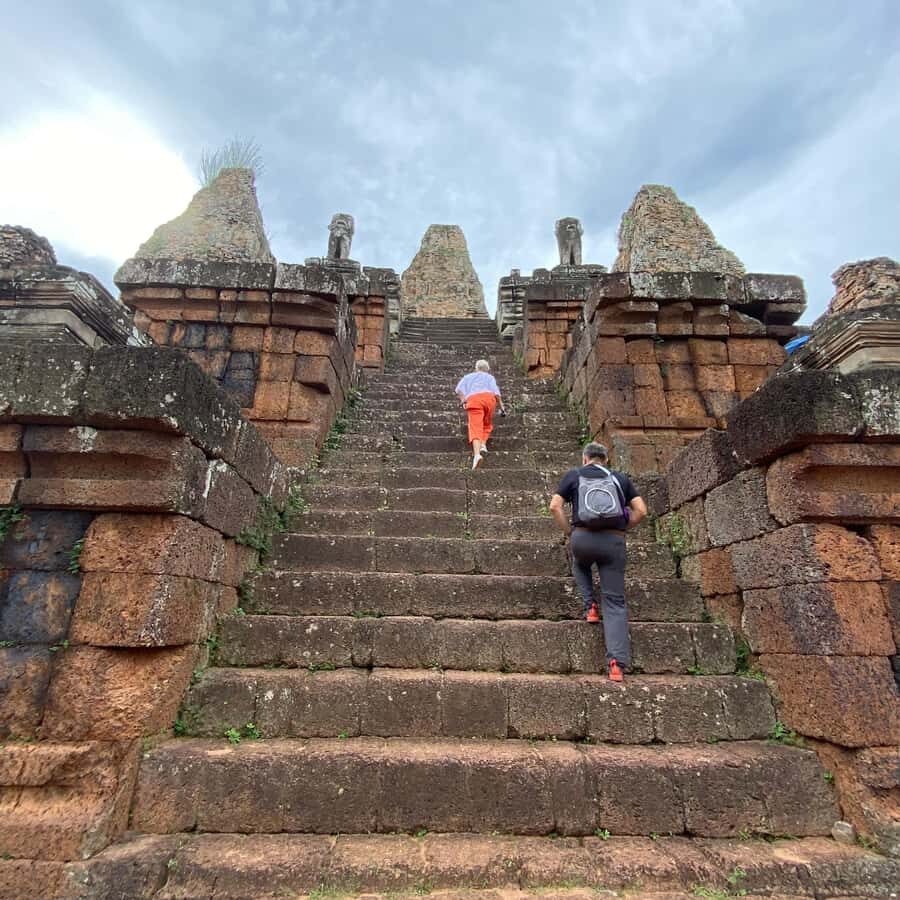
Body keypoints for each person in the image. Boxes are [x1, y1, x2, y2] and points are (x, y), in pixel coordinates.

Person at [549, 443, 647, 682]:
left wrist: (569, 532)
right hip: (613, 542)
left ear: (585, 458)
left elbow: (554, 506)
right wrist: (623, 528)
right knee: (614, 601)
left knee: (579, 562)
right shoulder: (620, 478)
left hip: (582, 538)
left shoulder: (574, 475)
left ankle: (590, 606)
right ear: (606, 459)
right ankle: (616, 664)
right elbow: (641, 511)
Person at [455, 359, 505, 470]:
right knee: (487, 424)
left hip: (474, 400)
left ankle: (477, 454)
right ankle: (483, 444)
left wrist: (463, 401)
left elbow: (458, 389)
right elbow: (496, 392)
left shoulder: (468, 377)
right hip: (489, 399)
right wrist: (502, 407)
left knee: (475, 427)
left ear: (476, 368)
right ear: (487, 370)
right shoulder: (490, 377)